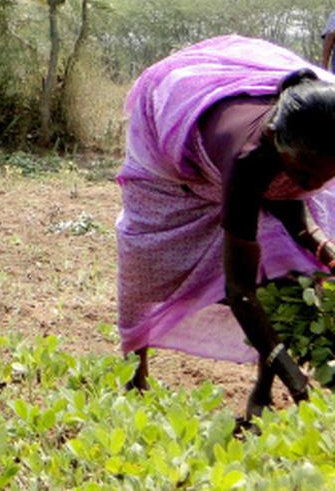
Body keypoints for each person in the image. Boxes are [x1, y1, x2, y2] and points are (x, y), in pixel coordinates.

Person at [118, 34, 335, 419]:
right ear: (274, 140)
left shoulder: (309, 148)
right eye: (304, 175)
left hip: (257, 162)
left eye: (323, 178)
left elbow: (290, 199)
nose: (310, 187)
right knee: (145, 267)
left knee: (286, 268)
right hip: (170, 151)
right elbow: (240, 290)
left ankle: (261, 395)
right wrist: (296, 379)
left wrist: (321, 246)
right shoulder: (249, 160)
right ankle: (135, 374)